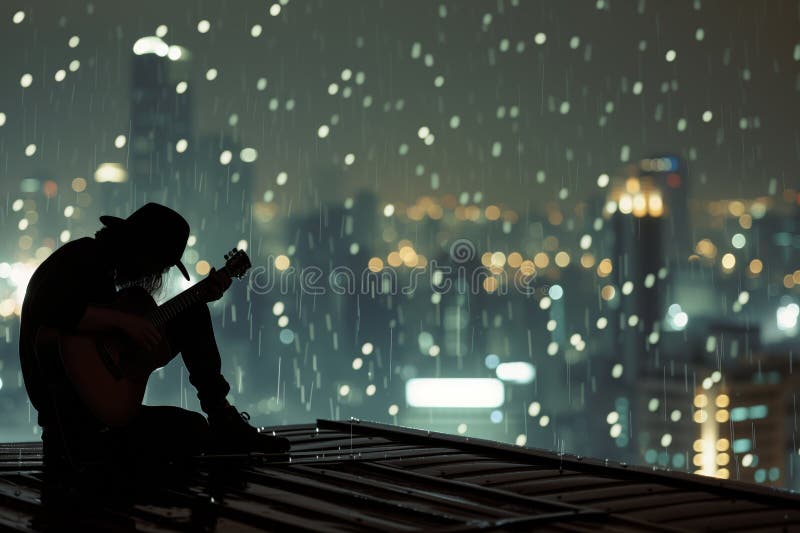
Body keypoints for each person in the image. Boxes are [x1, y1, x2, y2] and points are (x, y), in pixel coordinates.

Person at [18, 202, 290, 477]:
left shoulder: (98, 270)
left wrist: (195, 299)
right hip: (78, 431)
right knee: (192, 432)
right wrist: (124, 321)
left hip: (92, 421)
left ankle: (223, 417)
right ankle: (221, 422)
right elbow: (52, 313)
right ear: (141, 250)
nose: (156, 275)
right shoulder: (79, 259)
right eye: (158, 265)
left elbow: (105, 342)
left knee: (192, 315)